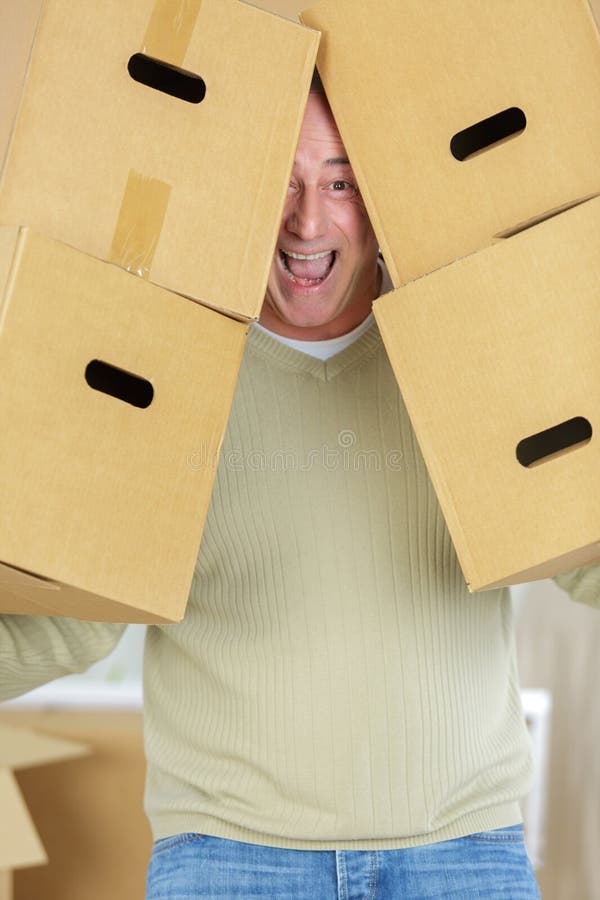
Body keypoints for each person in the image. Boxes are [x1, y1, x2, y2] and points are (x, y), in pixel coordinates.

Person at [1, 76, 599, 900]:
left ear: (388, 189)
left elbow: (583, 556)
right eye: (281, 179)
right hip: (227, 862)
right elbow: (73, 621)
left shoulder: (473, 358)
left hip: (462, 858)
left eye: (340, 181)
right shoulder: (159, 377)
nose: (306, 221)